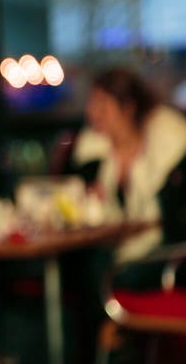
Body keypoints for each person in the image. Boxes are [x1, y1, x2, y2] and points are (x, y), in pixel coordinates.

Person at [73, 67, 186, 264]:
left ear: (128, 108)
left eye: (102, 105)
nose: (92, 112)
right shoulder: (95, 156)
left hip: (165, 253)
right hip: (117, 251)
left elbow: (171, 217)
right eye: (92, 103)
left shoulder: (168, 150)